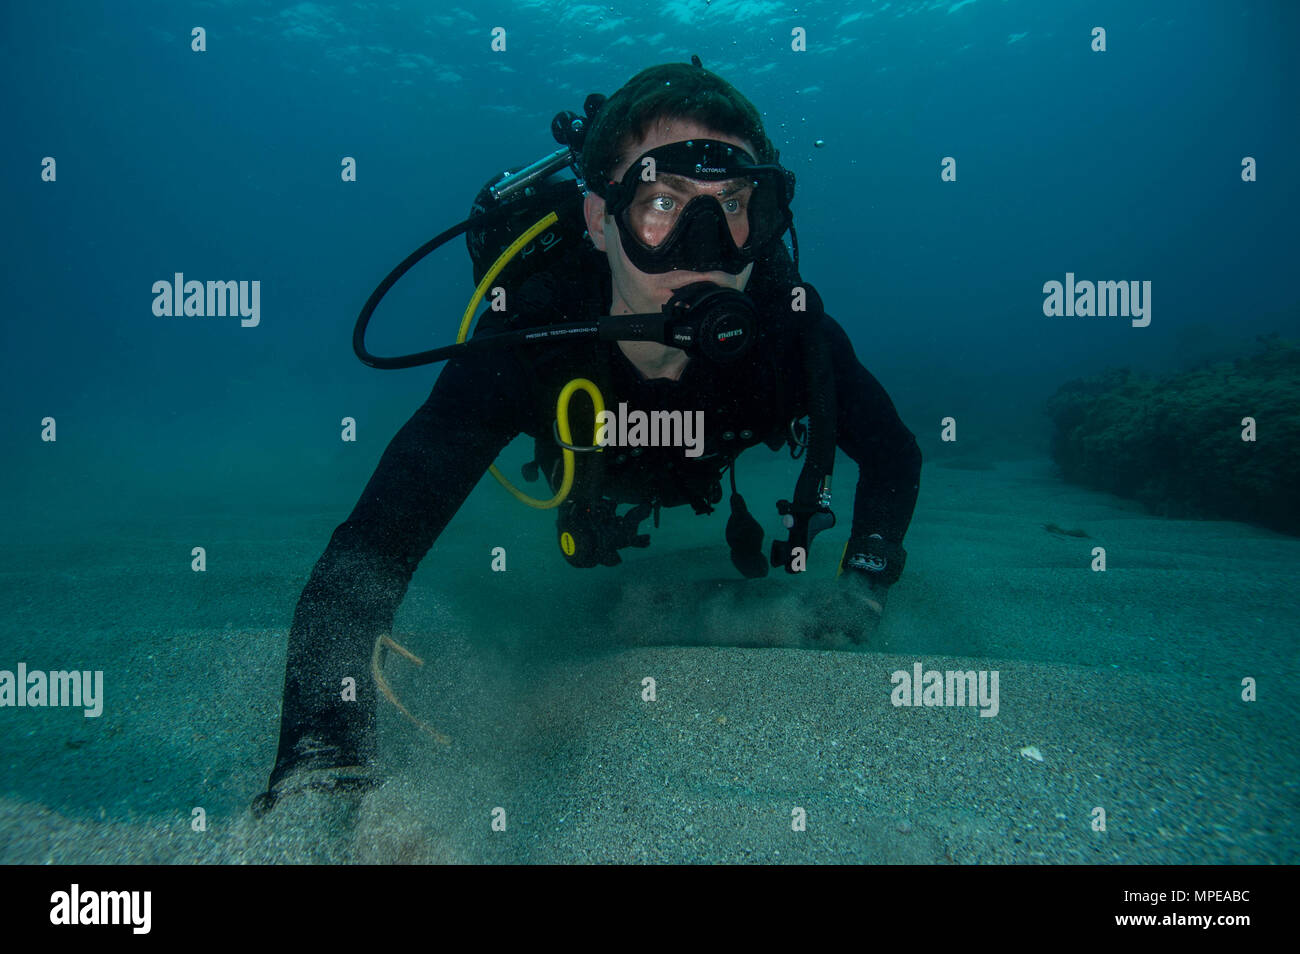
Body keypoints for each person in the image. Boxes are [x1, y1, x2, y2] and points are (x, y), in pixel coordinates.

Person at [256, 61, 921, 811]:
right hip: (592, 468)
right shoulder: (531, 338)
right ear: (601, 220)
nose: (703, 249)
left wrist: (863, 588)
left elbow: (895, 455)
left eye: (732, 205)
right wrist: (323, 760)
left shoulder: (792, 336)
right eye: (663, 203)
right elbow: (369, 553)